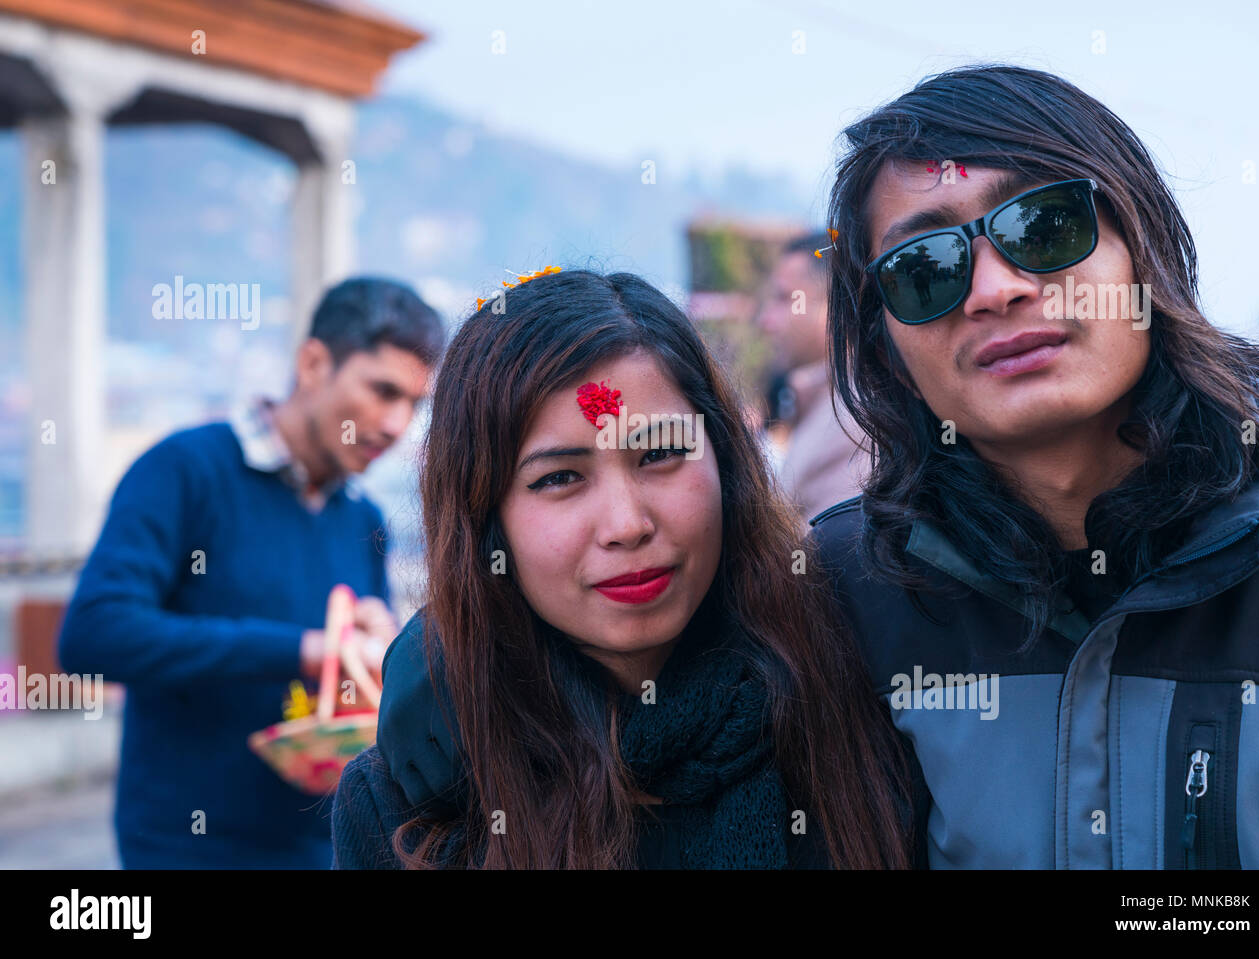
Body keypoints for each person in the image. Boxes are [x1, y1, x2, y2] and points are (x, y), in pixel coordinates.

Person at [814, 64, 1259, 868]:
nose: (996, 290)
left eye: (1044, 226)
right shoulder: (849, 594)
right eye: (925, 268)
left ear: (1145, 249)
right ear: (883, 342)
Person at [331, 269, 916, 869]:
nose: (627, 523)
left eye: (660, 453)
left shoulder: (852, 690)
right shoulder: (418, 796)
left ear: (726, 461)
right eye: (559, 478)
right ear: (484, 519)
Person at [58, 277, 445, 868]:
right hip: (186, 848)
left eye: (413, 404)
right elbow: (94, 633)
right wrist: (307, 649)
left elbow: (348, 692)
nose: (396, 424)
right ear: (314, 363)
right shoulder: (184, 470)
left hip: (327, 847)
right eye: (382, 391)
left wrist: (382, 646)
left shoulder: (363, 517)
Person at [757, 232, 870, 521]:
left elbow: (828, 556)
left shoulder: (856, 421)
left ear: (837, 305)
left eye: (784, 298)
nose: (766, 320)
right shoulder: (827, 403)